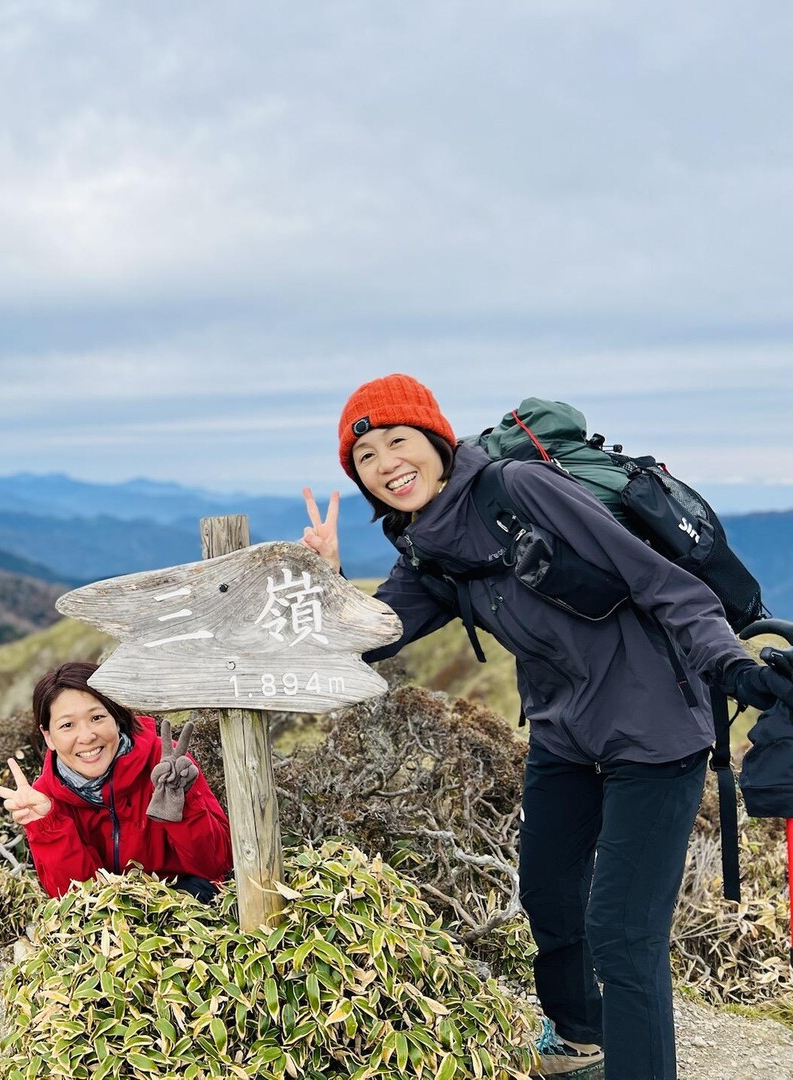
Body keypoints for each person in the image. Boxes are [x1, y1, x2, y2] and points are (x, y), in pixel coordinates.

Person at [300, 373, 793, 1080]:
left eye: (398, 441)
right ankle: (581, 1040)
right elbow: (373, 634)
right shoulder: (427, 545)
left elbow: (663, 584)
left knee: (622, 934)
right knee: (548, 895)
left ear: (437, 440)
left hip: (653, 732)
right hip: (564, 736)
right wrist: (329, 580)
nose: (386, 465)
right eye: (366, 457)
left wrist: (733, 667)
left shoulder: (520, 489)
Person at [0, 661, 233, 900]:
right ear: (48, 736)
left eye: (97, 718)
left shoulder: (165, 763)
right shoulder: (44, 799)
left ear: (116, 717)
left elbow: (217, 867)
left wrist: (182, 802)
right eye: (67, 725)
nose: (86, 736)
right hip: (108, 917)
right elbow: (75, 900)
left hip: (184, 901)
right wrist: (48, 826)